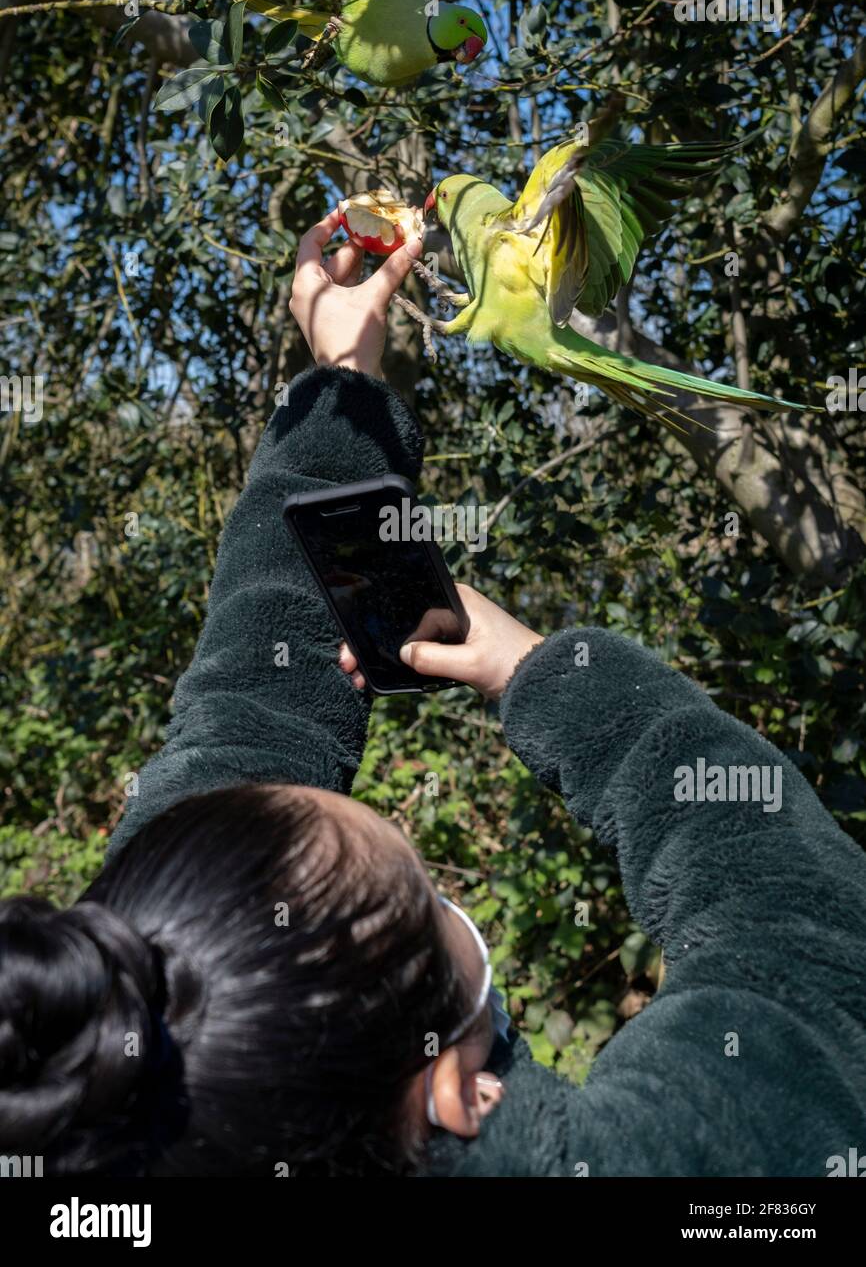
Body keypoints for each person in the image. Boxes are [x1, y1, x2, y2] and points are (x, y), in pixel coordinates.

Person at [1, 211, 864, 1178]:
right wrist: (560, 681)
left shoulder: (144, 1019)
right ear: (461, 1093)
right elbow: (803, 941)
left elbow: (251, 711)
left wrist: (342, 380)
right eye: (430, 896)